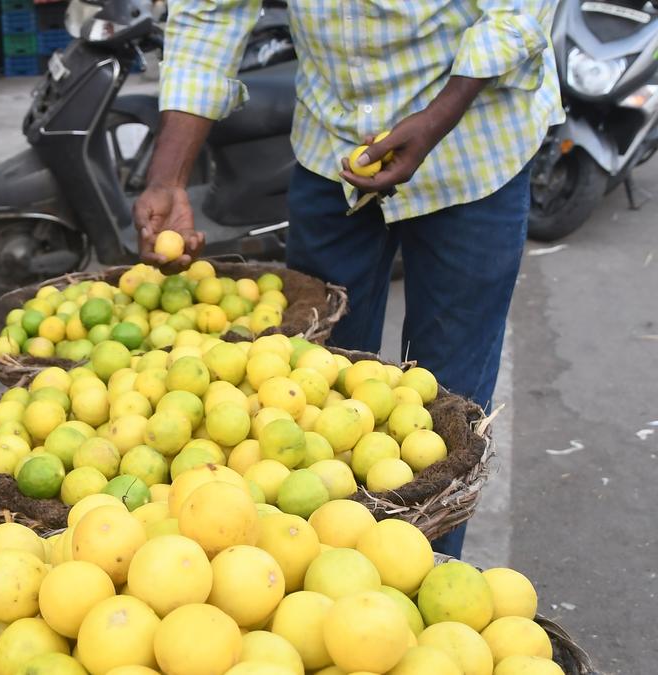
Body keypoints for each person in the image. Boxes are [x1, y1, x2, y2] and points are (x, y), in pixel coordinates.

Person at [133, 1, 562, 558]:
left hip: (472, 144)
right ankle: (313, 573)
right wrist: (168, 177)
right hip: (331, 147)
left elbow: (518, 11)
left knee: (444, 417)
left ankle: (424, 574)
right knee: (307, 392)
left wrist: (438, 115)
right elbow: (210, 13)